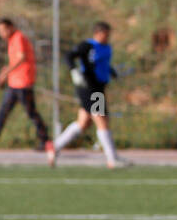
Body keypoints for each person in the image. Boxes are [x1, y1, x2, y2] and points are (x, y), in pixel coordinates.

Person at [0, 18, 53, 161]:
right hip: (15, 83)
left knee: (31, 113)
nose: (1, 33)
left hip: (23, 82)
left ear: (11, 27)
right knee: (3, 112)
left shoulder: (18, 38)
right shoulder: (13, 40)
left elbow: (21, 58)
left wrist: (6, 72)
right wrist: (6, 71)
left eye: (3, 30)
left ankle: (46, 141)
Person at [50, 21, 125, 169]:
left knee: (83, 123)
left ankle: (54, 147)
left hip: (99, 87)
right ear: (98, 33)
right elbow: (69, 56)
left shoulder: (106, 48)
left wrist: (112, 72)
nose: (108, 37)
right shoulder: (88, 45)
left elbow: (101, 64)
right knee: (101, 120)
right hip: (90, 88)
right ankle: (112, 158)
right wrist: (74, 71)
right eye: (105, 34)